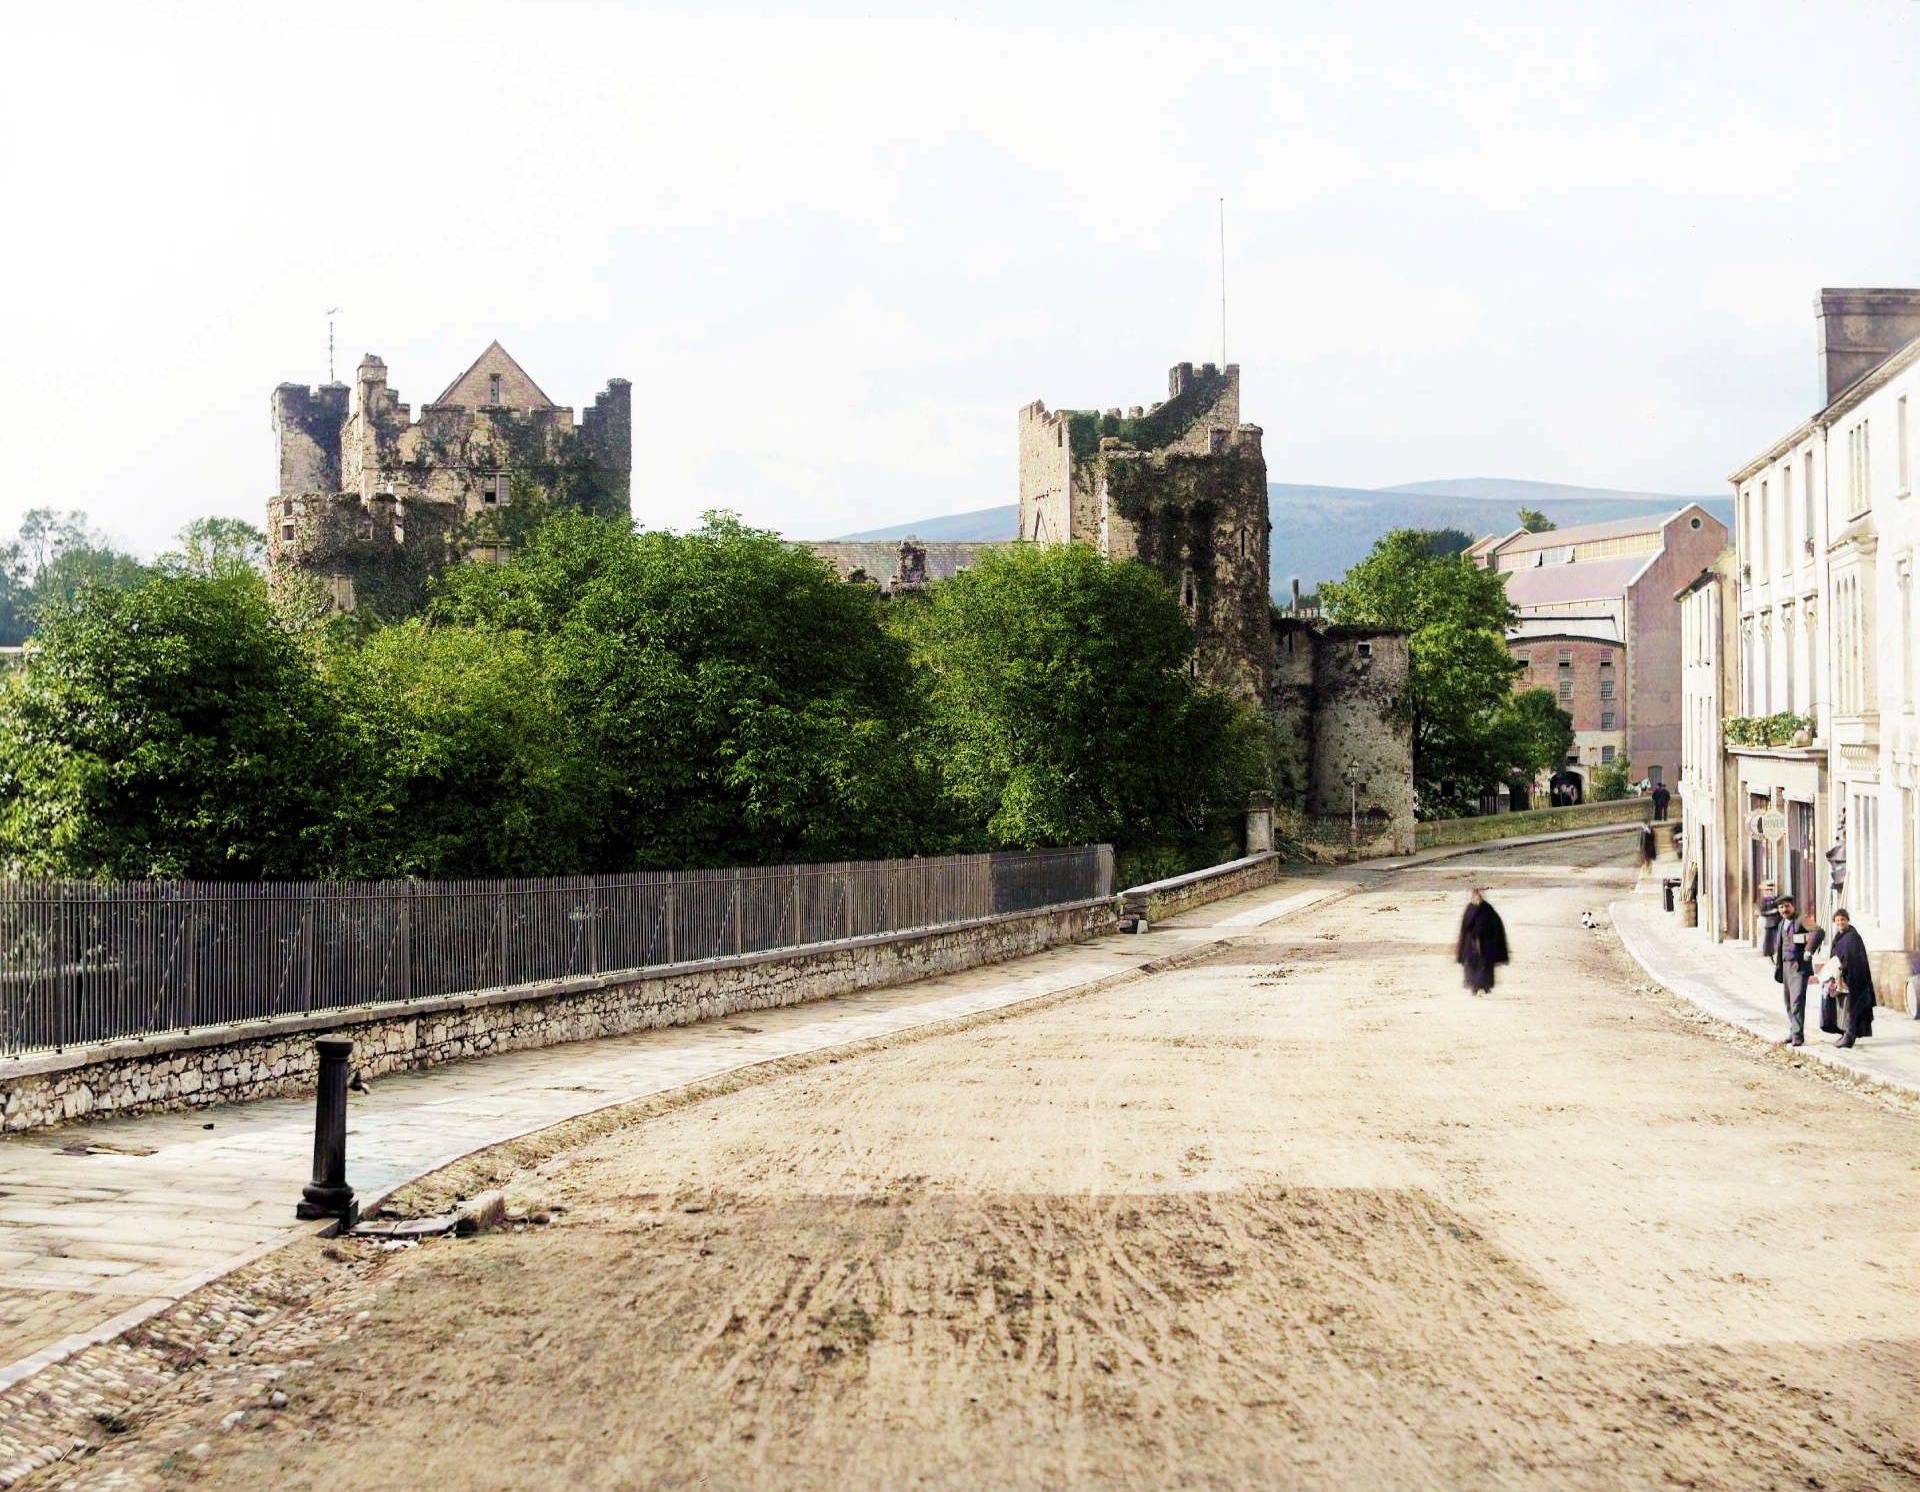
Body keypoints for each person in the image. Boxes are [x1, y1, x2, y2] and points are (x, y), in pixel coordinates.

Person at [1774, 901, 1822, 1048]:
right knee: (1788, 1002)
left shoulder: (1802, 919)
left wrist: (1809, 950)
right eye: (1781, 907)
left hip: (1798, 966)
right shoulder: (1782, 924)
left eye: (1787, 906)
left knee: (1797, 1001)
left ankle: (1798, 1036)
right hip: (1786, 967)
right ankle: (1793, 1031)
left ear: (1793, 906)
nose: (1784, 909)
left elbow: (1818, 931)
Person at [1828, 910, 1876, 1048]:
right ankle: (1845, 1033)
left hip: (1854, 978)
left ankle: (1850, 1037)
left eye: (1843, 920)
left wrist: (1844, 968)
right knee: (1843, 1008)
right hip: (1842, 977)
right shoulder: (1839, 936)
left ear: (1847, 920)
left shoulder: (1853, 937)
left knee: (1853, 1008)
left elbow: (1854, 959)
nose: (1840, 922)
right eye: (1837, 920)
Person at [1456, 889, 1509, 995]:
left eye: (1479, 895)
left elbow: (1496, 925)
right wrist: (1462, 949)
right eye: (1476, 895)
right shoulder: (1469, 908)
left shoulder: (1488, 909)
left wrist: (1492, 939)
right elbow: (1464, 928)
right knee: (1472, 966)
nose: (1478, 897)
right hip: (1471, 943)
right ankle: (1474, 987)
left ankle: (1485, 986)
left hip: (1486, 943)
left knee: (1485, 965)